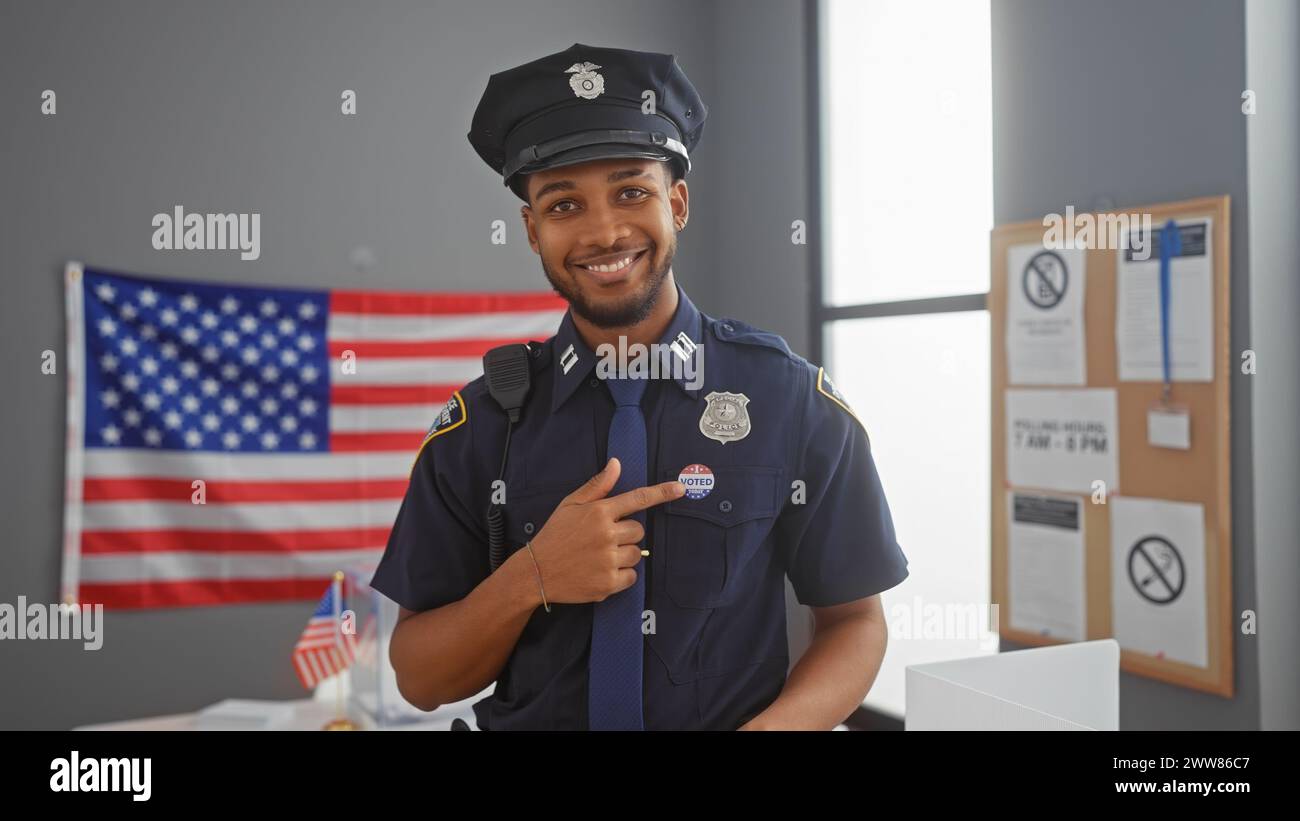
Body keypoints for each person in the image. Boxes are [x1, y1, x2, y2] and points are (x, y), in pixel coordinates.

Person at [369, 43, 909, 730]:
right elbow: (419, 678)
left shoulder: (790, 399)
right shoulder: (479, 425)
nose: (604, 231)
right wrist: (533, 575)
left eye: (631, 191)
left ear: (676, 202)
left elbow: (856, 620)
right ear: (533, 231)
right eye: (564, 205)